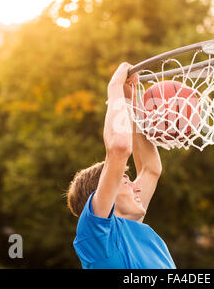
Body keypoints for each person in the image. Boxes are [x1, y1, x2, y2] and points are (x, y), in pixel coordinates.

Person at [66, 63, 176, 269]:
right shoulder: (97, 238)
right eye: (126, 180)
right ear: (103, 193)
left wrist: (130, 101)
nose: (136, 186)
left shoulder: (134, 230)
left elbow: (151, 169)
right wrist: (115, 85)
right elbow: (119, 146)